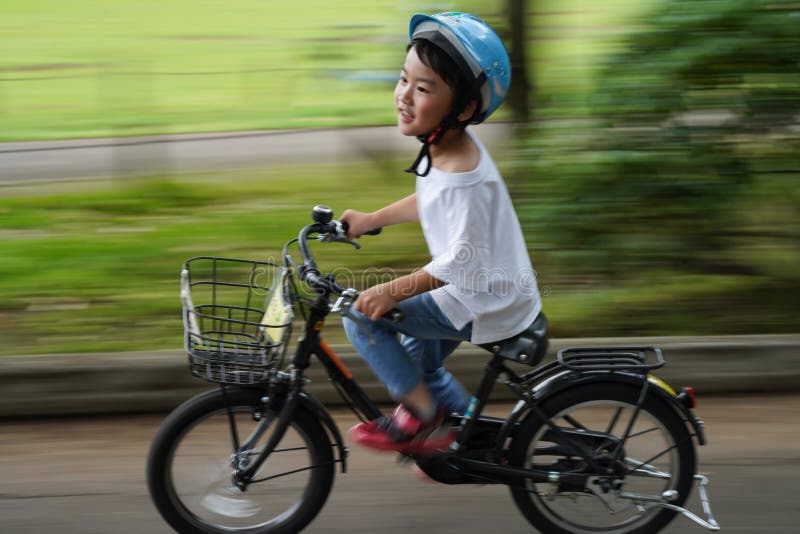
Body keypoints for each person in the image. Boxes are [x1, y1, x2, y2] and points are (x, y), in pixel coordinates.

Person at [340, 12, 543, 455]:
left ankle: (424, 421)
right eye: (403, 79)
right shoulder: (448, 152)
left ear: (465, 108)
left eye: (424, 88)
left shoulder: (463, 174)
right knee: (418, 363)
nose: (404, 96)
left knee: (362, 318)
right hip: (479, 289)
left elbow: (460, 262)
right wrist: (372, 219)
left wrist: (391, 291)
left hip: (484, 296)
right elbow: (432, 201)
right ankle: (465, 445)